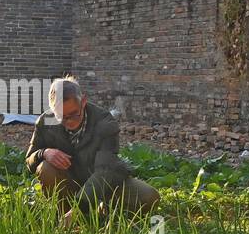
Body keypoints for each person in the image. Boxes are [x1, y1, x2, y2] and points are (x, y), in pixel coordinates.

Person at [24, 75, 159, 223]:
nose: (69, 121)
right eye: (62, 117)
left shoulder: (104, 121)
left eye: (74, 114)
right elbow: (29, 161)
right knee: (45, 167)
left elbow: (105, 171)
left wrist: (78, 207)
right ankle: (64, 214)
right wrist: (44, 153)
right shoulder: (45, 122)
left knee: (149, 197)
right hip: (71, 181)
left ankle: (100, 210)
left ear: (83, 102)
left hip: (105, 183)